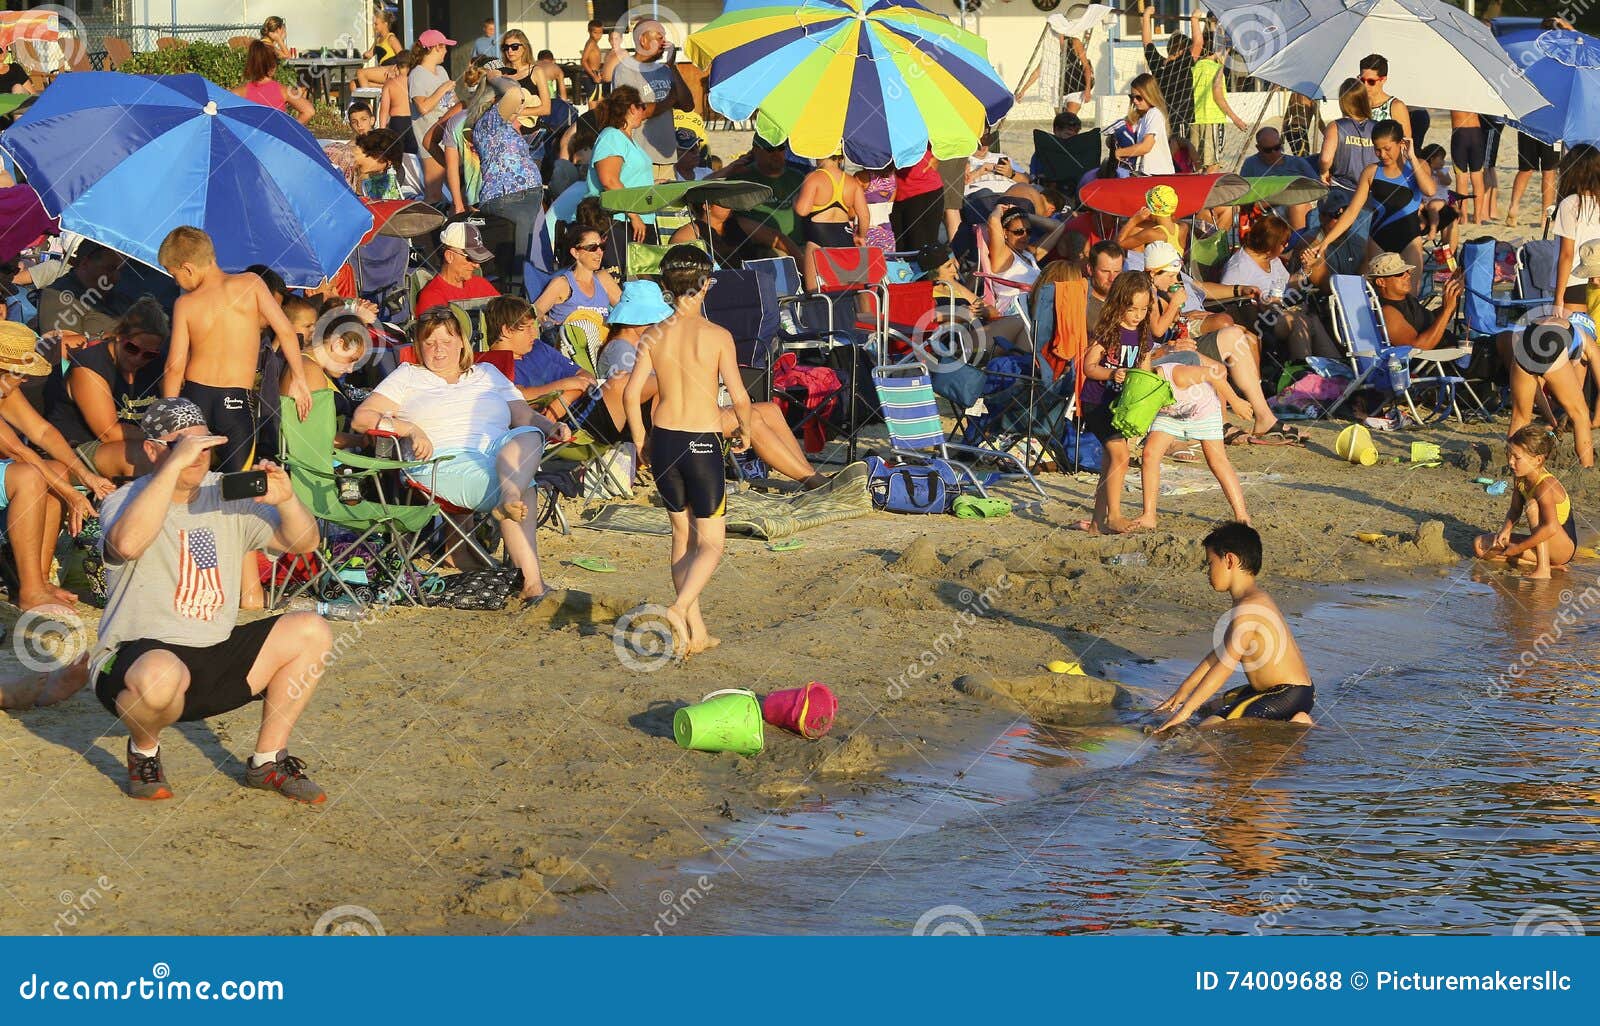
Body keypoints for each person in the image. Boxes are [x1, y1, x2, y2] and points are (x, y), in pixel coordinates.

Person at [85, 397, 330, 801]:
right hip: (135, 660)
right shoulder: (125, 498)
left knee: (311, 629)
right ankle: (144, 752)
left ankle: (267, 760)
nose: (197, 455)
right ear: (151, 450)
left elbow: (304, 543)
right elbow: (126, 545)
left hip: (211, 655)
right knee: (160, 674)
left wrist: (287, 501)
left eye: (204, 444)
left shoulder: (225, 493)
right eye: (182, 445)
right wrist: (172, 469)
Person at [352, 306, 573, 602]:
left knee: (530, 435)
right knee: (524, 488)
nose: (438, 350)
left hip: (498, 453)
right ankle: (531, 581)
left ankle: (511, 506)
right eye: (430, 343)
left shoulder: (487, 373)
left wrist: (551, 426)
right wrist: (409, 428)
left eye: (446, 341)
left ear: (461, 342)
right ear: (419, 346)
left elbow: (522, 414)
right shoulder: (408, 376)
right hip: (441, 463)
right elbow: (362, 418)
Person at [622, 247, 752, 655]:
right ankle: (678, 610)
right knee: (712, 542)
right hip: (700, 441)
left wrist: (641, 438)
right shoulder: (716, 336)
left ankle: (695, 633)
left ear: (667, 287)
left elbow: (630, 394)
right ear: (706, 283)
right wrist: (745, 429)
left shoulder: (653, 334)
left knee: (682, 535)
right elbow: (741, 396)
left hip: (664, 440)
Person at [597, 281, 827, 489]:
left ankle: (809, 473)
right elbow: (624, 395)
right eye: (655, 318)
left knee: (771, 410)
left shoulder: (642, 342)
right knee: (751, 419)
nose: (661, 322)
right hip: (666, 422)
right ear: (637, 320)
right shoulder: (620, 349)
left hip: (680, 409)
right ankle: (810, 480)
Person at [159, 227, 309, 473]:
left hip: (196, 398)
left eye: (174, 275)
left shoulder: (185, 304)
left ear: (188, 268)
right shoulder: (251, 284)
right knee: (236, 487)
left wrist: (171, 415)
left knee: (188, 478)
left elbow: (174, 368)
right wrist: (299, 379)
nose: (176, 282)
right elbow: (286, 331)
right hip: (236, 401)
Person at [1151, 522, 1315, 733]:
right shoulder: (1252, 599)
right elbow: (1218, 655)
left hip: (1285, 695)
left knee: (1206, 729)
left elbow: (1225, 666)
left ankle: (1300, 726)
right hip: (1292, 693)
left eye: (1210, 563)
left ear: (1229, 560)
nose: (1207, 571)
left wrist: (1185, 712)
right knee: (1210, 708)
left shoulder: (1249, 608)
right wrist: (1183, 693)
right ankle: (1294, 720)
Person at [0, 322, 104, 611]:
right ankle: (31, 592)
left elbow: (42, 432)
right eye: (19, 372)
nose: (23, 380)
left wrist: (85, 476)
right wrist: (73, 495)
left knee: (57, 470)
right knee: (30, 476)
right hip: (15, 461)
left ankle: (40, 581)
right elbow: (16, 449)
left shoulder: (4, 387)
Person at [43, 296, 167, 479]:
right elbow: (109, 433)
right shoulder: (89, 366)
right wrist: (166, 438)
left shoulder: (156, 365)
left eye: (149, 354)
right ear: (118, 336)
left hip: (134, 442)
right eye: (132, 348)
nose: (138, 358)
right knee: (143, 455)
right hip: (75, 450)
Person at [1307, 120, 1435, 296]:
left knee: (1410, 296)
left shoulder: (1417, 166)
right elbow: (1352, 211)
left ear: (1401, 144)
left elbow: (1429, 190)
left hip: (1410, 239)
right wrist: (1325, 242)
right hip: (1379, 240)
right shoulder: (1371, 172)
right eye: (1377, 149)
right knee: (1375, 296)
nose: (1382, 154)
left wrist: (1412, 157)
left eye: (1387, 149)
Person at [1131, 347, 1249, 531]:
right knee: (1149, 454)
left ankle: (1242, 516)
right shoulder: (1137, 382)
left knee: (1217, 461)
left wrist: (1236, 401)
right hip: (1170, 415)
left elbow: (1214, 374)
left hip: (1203, 410)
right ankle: (1148, 515)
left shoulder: (1177, 375)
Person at [1076, 271, 1156, 535]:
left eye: (1143, 309)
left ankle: (1097, 524)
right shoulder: (1108, 331)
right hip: (1096, 402)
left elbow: (1145, 374)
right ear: (1119, 303)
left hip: (1120, 408)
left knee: (1110, 465)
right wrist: (1110, 373)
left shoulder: (1143, 336)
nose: (1137, 315)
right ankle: (1115, 516)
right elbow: (1089, 367)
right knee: (1121, 457)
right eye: (1132, 308)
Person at [1223, 216, 1338, 360]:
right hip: (1258, 320)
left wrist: (1306, 269)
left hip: (1279, 311)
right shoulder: (1238, 267)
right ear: (1271, 244)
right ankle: (1301, 368)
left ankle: (1336, 368)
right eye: (1283, 243)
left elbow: (1287, 285)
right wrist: (1262, 304)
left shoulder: (1271, 258)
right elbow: (1227, 302)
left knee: (1312, 318)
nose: (1286, 246)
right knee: (1299, 321)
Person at [1475, 426, 1579, 580]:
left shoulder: (1545, 485)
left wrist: (1518, 548)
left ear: (1537, 460)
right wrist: (1506, 529)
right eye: (1509, 455)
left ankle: (1543, 569)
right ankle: (1548, 565)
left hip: (1563, 547)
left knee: (1532, 506)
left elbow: (1550, 528)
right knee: (1480, 546)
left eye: (1516, 458)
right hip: (1543, 541)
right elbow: (1515, 509)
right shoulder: (1520, 477)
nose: (1510, 462)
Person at [475, 77, 552, 278]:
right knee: (516, 269)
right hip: (509, 199)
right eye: (517, 105)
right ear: (494, 101)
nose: (519, 107)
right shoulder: (489, 122)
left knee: (523, 265)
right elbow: (513, 93)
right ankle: (513, 305)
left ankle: (517, 300)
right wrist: (494, 78)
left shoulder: (502, 127)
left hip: (521, 200)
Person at [609, 19, 690, 183]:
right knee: (645, 206)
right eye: (659, 38)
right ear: (643, 40)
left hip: (667, 157)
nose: (665, 43)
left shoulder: (665, 70)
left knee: (666, 208)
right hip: (640, 158)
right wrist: (670, 99)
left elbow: (688, 105)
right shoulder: (625, 69)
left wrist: (672, 67)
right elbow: (636, 111)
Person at [1313, 78, 1377, 280]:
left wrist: (1324, 171)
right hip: (1369, 195)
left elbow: (1325, 158)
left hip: (1341, 192)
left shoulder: (1337, 127)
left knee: (1333, 242)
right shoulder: (1377, 128)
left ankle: (1334, 281)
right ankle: (1359, 285)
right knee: (1362, 246)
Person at [587, 86, 655, 243]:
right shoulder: (612, 136)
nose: (644, 112)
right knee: (622, 267)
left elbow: (630, 177)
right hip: (620, 220)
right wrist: (633, 215)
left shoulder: (627, 139)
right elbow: (609, 181)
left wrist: (654, 184)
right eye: (642, 107)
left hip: (639, 218)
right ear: (632, 108)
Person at [795, 153, 870, 289]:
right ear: (840, 158)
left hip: (818, 238)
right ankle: (863, 310)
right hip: (845, 236)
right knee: (854, 291)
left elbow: (802, 210)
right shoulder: (851, 182)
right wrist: (860, 236)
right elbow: (864, 215)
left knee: (815, 292)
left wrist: (795, 200)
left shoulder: (814, 178)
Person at [1368, 252, 1466, 354]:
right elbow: (1416, 348)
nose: (1407, 276)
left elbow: (1434, 322)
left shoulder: (1406, 299)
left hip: (1450, 349)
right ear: (1381, 282)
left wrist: (1454, 296)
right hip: (1438, 359)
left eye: (1407, 271)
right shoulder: (1388, 312)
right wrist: (1447, 310)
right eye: (1400, 274)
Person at [720, 136, 809, 247]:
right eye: (770, 150)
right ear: (755, 151)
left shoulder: (798, 177)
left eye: (781, 148)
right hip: (759, 249)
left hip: (799, 246)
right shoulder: (740, 179)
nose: (776, 154)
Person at [534, 224, 622, 336]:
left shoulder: (603, 278)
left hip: (602, 346)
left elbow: (627, 311)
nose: (599, 252)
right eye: (592, 248)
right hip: (570, 348)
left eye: (602, 247)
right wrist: (545, 320)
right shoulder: (563, 284)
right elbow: (535, 311)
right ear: (575, 253)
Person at [671, 198, 800, 268]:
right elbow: (675, 263)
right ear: (707, 206)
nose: (730, 205)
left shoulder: (739, 223)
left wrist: (801, 261)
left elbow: (777, 238)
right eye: (725, 202)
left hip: (753, 282)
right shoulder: (691, 231)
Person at [1550, 144, 1600, 322]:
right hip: (1597, 277)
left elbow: (1567, 254)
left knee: (1577, 340)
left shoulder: (1570, 204)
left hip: (1575, 280)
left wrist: (1558, 298)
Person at [409, 30, 459, 202]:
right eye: (444, 47)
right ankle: (429, 229)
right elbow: (423, 107)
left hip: (448, 138)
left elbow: (450, 102)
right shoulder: (417, 74)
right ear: (435, 48)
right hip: (430, 142)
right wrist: (442, 89)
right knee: (434, 193)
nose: (446, 51)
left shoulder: (441, 71)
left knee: (458, 190)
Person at [37, 239, 125, 338]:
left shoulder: (116, 296)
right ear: (85, 263)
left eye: (120, 270)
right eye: (110, 268)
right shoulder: (59, 295)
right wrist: (112, 339)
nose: (116, 276)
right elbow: (61, 346)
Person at [1189, 33, 1249, 169]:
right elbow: (1217, 95)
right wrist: (1235, 118)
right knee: (1213, 164)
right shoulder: (1217, 69)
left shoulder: (1193, 68)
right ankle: (1208, 190)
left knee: (1196, 163)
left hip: (1194, 120)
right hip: (1212, 120)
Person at [416, 222, 502, 315]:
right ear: (449, 256)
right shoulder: (431, 297)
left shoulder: (481, 284)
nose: (477, 265)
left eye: (477, 259)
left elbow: (507, 315)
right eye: (470, 258)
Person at [1142, 6, 1199, 144]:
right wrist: (1194, 20)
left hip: (1162, 116)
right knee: (1181, 154)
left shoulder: (1157, 63)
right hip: (1181, 117)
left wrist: (1146, 17)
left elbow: (1147, 43)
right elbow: (1198, 44)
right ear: (1182, 50)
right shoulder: (1183, 64)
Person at [233, 41, 313, 124]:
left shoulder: (239, 92)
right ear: (273, 66)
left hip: (250, 136)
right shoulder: (283, 91)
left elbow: (221, 108)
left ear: (250, 65)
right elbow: (309, 111)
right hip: (276, 135)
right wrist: (289, 132)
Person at [1113, 74, 1174, 176]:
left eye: (1138, 97)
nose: (1135, 101)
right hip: (1146, 174)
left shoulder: (1154, 113)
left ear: (1149, 95)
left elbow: (1146, 147)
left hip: (1159, 175)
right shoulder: (1143, 117)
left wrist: (1119, 152)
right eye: (1132, 97)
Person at [889, 146, 947, 252]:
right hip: (898, 194)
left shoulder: (925, 129)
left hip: (926, 191)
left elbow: (946, 139)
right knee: (900, 249)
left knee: (922, 250)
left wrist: (938, 156)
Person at [1118, 184, 1188, 264]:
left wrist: (1134, 220)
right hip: (1174, 273)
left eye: (1147, 204)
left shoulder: (1152, 234)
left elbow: (1119, 244)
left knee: (1135, 230)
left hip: (1157, 274)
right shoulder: (1183, 227)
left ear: (1152, 208)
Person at [323, 129, 402, 199]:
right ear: (381, 155)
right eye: (387, 167)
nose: (381, 171)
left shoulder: (344, 154)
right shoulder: (341, 158)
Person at [1507, 131, 1560, 231]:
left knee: (1525, 169)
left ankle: (1513, 207)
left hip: (1527, 126)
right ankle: (1545, 218)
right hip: (1550, 129)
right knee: (1549, 172)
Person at [1358, 54, 1412, 142]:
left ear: (1383, 80)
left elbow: (1406, 143)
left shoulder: (1396, 107)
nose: (1365, 85)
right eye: (1362, 80)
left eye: (1371, 81)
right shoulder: (1355, 104)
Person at [1450, 111, 1489, 226]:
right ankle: (1477, 218)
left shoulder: (1451, 93)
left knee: (1461, 178)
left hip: (1459, 133)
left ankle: (1463, 218)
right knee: (1477, 177)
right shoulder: (1476, 92)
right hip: (1476, 132)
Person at [355, 8, 403, 89]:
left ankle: (368, 99)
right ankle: (382, 88)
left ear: (385, 24)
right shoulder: (378, 39)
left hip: (390, 69)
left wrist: (394, 69)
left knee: (360, 73)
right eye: (373, 24)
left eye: (376, 24)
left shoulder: (391, 38)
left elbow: (403, 57)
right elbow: (369, 54)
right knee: (354, 84)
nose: (374, 27)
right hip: (382, 69)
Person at [579, 20, 606, 105]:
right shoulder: (591, 43)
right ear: (589, 31)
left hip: (594, 74)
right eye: (595, 32)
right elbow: (583, 61)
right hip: (591, 75)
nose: (598, 35)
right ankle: (591, 118)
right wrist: (593, 76)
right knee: (593, 104)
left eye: (600, 33)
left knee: (599, 102)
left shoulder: (594, 43)